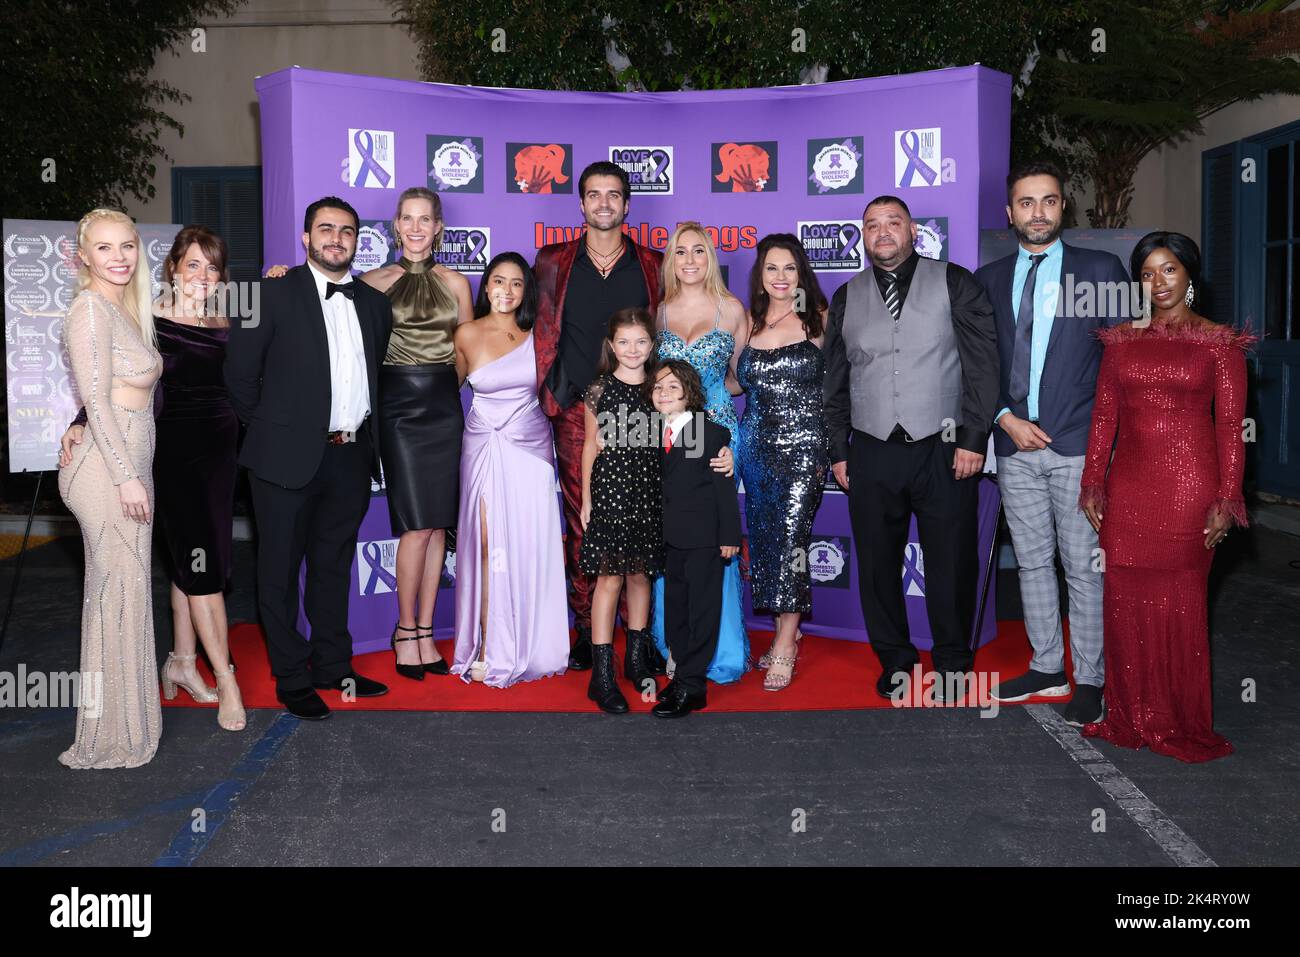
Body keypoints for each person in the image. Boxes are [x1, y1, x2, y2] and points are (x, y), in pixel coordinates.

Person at [267, 189, 473, 680]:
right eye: (408, 219)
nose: (417, 227)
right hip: (397, 411)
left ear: (439, 227)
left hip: (443, 408)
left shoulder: (458, 283)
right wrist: (279, 277)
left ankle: (425, 631)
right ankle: (405, 630)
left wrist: (443, 388)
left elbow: (466, 348)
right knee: (413, 525)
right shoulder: (370, 283)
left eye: (426, 219)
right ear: (396, 227)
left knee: (437, 525)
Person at [61, 226, 247, 731]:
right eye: (193, 265)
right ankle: (227, 679)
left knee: (195, 558)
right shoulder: (151, 317)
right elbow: (109, 378)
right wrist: (79, 425)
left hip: (219, 451)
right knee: (201, 564)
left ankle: (182, 662)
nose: (203, 275)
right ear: (172, 268)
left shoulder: (228, 317)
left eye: (212, 267)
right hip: (170, 451)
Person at [1079, 232, 1250, 762]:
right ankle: (1130, 716)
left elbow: (1231, 428)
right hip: (1128, 490)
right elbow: (1105, 417)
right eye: (1148, 273)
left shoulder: (1220, 343)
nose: (1158, 282)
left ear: (1189, 275)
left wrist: (1227, 498)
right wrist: (1092, 482)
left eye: (1168, 270)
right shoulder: (1121, 342)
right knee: (1125, 599)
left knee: (1179, 603)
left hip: (1188, 489)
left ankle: (1177, 720)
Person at [824, 195, 999, 701]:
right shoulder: (846, 296)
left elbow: (982, 366)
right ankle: (896, 661)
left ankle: (951, 661)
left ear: (913, 231)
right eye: (872, 225)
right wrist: (839, 451)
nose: (882, 232)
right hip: (872, 450)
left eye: (893, 223)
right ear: (863, 236)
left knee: (951, 560)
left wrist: (973, 439)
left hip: (944, 448)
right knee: (877, 566)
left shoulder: (954, 281)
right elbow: (834, 383)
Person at [224, 196, 392, 721]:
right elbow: (238, 379)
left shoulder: (373, 303)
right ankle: (292, 677)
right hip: (283, 460)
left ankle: (332, 667)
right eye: (325, 229)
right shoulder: (265, 294)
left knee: (332, 567)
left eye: (346, 231)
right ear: (305, 237)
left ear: (356, 240)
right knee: (277, 571)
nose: (336, 239)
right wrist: (281, 431)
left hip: (350, 454)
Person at [976, 161, 1131, 726]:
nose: (1037, 213)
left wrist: (1108, 443)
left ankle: (1089, 678)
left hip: (1078, 445)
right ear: (1009, 212)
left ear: (1063, 207)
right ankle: (1047, 665)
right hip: (1015, 444)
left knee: (1084, 566)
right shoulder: (988, 279)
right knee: (1034, 564)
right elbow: (976, 363)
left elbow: (1122, 363)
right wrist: (1002, 417)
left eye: (1048, 202)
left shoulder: (1101, 270)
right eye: (1025, 203)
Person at [532, 161, 664, 670]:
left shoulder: (652, 263)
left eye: (614, 195)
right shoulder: (551, 262)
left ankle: (640, 634)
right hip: (575, 411)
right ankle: (589, 629)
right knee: (583, 520)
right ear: (581, 203)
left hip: (641, 410)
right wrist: (554, 392)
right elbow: (532, 324)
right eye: (594, 194)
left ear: (627, 204)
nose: (604, 203)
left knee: (641, 521)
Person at [56, 208, 162, 768]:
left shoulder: (124, 305)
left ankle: (130, 720)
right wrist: (125, 477)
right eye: (104, 248)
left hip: (127, 456)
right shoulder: (89, 309)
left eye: (127, 246)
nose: (118, 257)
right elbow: (97, 400)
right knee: (113, 593)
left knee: (126, 590)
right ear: (83, 256)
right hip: (107, 468)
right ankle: (108, 735)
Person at [450, 253, 568, 687]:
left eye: (516, 283)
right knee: (486, 546)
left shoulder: (540, 336)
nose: (506, 290)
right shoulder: (465, 334)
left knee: (526, 542)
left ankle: (531, 641)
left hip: (531, 450)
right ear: (486, 286)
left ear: (526, 291)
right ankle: (486, 644)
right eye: (498, 281)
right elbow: (449, 394)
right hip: (482, 446)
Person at [651, 222, 748, 684]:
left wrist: (711, 404)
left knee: (713, 543)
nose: (689, 260)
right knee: (676, 537)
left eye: (698, 251)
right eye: (680, 252)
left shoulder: (731, 310)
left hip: (717, 436)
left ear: (710, 257)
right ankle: (676, 645)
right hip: (670, 436)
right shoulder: (661, 312)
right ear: (671, 260)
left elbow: (738, 377)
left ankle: (719, 649)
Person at [737, 234, 829, 691]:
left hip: (804, 447)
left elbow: (846, 382)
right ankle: (782, 631)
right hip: (754, 447)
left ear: (801, 273)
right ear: (761, 274)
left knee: (793, 539)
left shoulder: (819, 319)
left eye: (789, 268)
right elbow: (735, 383)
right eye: (771, 268)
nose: (779, 277)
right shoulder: (749, 322)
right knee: (769, 540)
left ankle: (787, 642)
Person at [579, 307, 665, 713]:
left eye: (642, 342)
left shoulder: (661, 388)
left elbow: (687, 435)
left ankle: (635, 659)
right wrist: (586, 501)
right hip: (611, 492)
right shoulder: (599, 389)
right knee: (609, 579)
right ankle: (601, 674)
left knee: (640, 576)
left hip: (650, 491)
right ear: (612, 346)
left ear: (652, 345)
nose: (633, 350)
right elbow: (589, 447)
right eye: (625, 343)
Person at [650, 361, 742, 719]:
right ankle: (683, 675)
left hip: (704, 539)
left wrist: (730, 535)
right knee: (676, 613)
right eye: (657, 388)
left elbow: (723, 490)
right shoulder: (651, 432)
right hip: (669, 541)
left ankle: (693, 686)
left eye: (673, 387)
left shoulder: (710, 433)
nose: (664, 393)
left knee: (702, 612)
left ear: (689, 392)